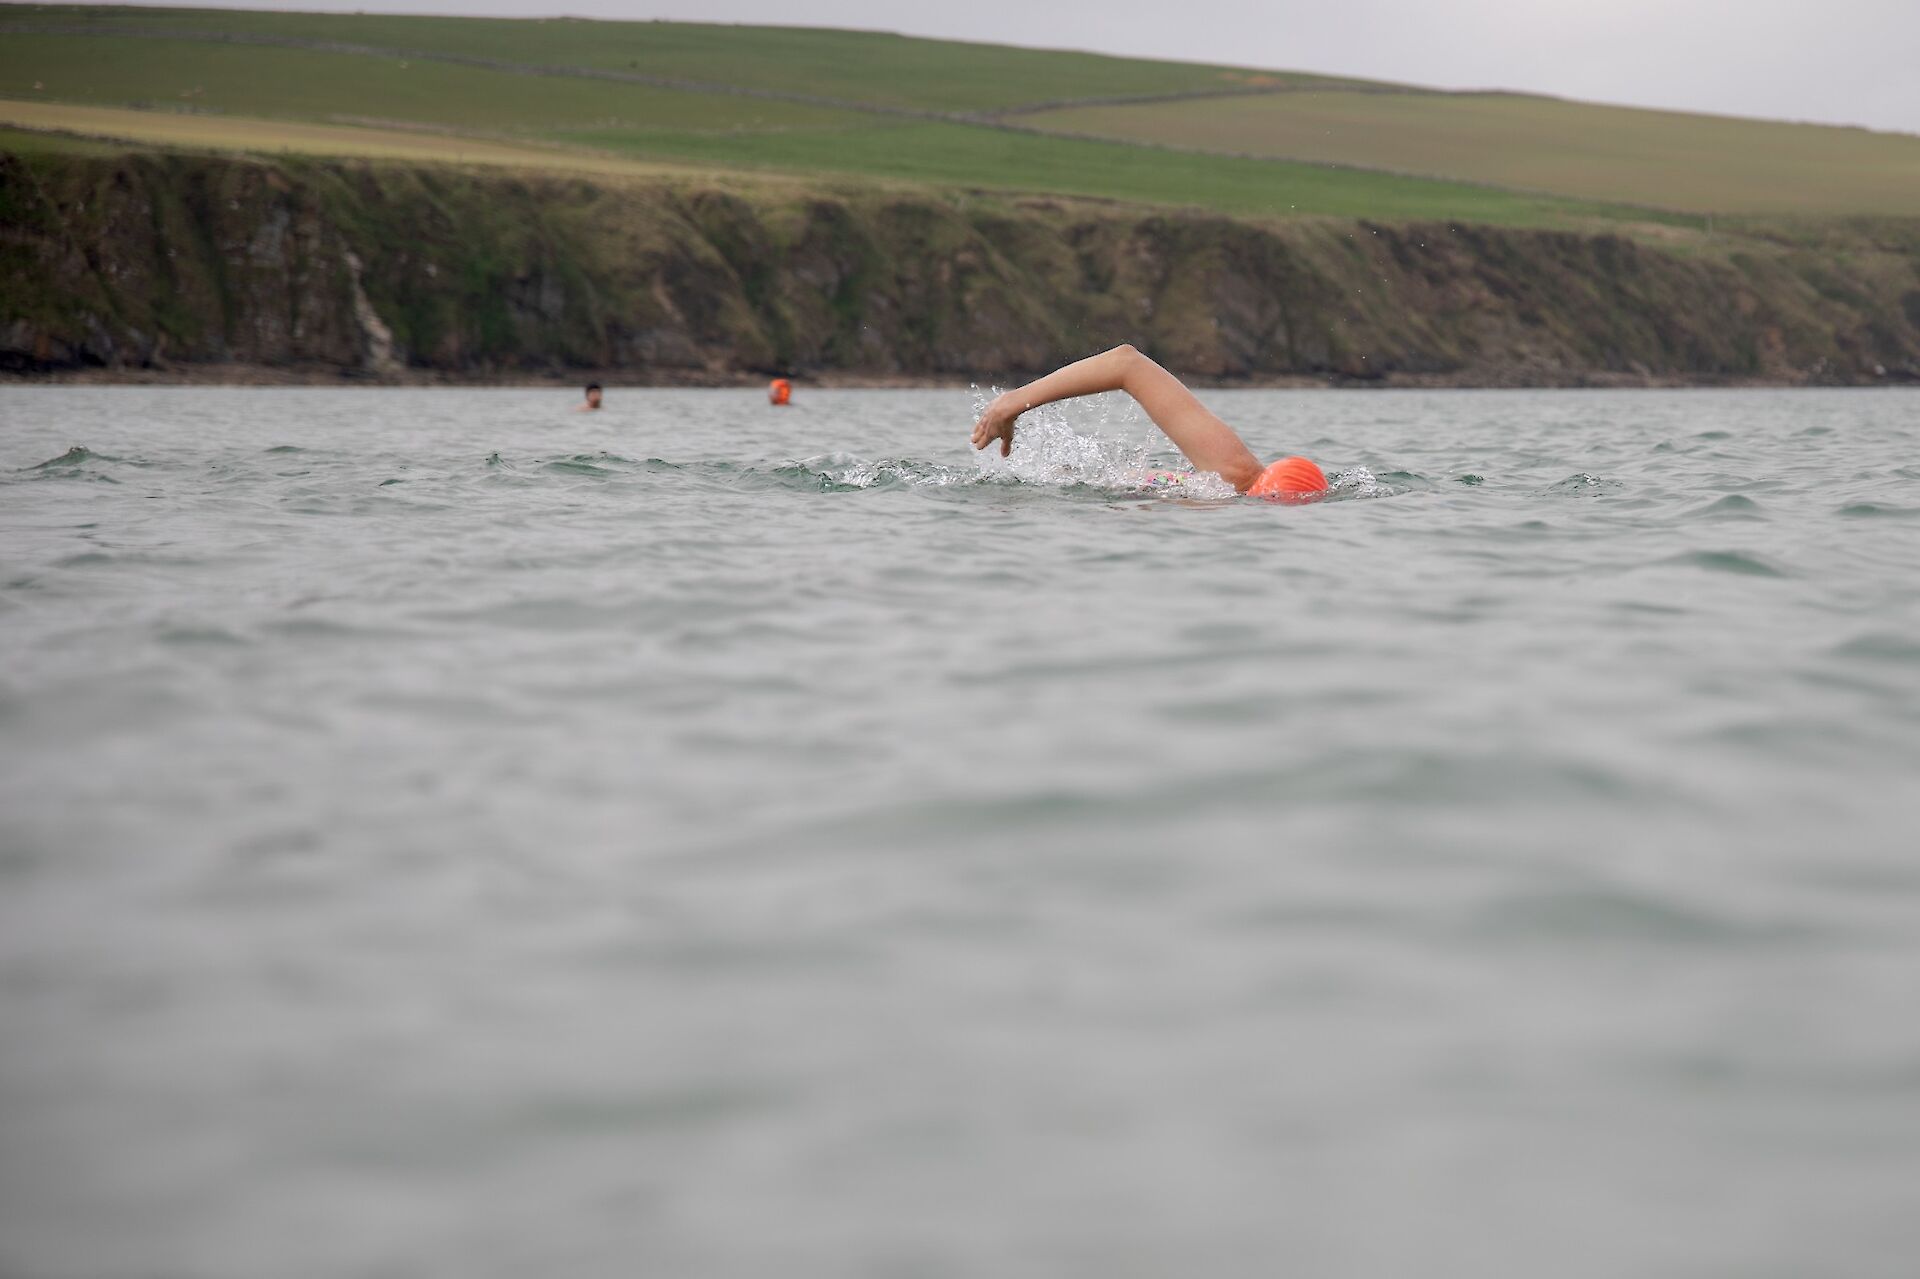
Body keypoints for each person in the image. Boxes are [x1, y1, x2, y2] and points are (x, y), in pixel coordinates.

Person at [971, 344, 1328, 498]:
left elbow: (1128, 363)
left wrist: (1017, 400)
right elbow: (1126, 363)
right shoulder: (1233, 474)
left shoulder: (1232, 469)